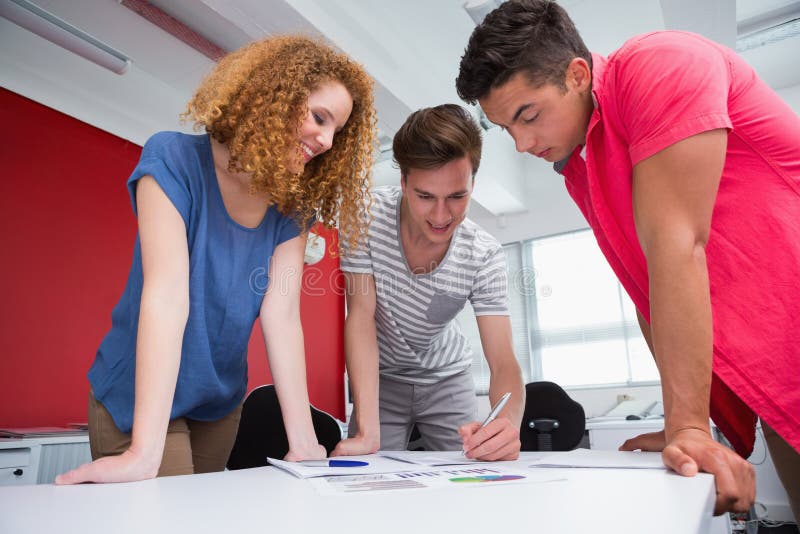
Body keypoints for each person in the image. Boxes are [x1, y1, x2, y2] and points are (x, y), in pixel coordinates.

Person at [456, 0, 799, 517]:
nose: (522, 143)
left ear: (576, 74)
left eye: (528, 116)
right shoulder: (585, 163)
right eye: (507, 128)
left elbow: (676, 248)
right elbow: (647, 288)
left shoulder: (660, 65)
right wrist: (686, 420)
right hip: (770, 358)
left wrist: (686, 425)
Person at [55, 36, 377, 484]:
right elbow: (167, 297)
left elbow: (282, 317)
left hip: (219, 403)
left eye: (335, 132)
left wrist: (303, 440)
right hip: (141, 397)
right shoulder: (172, 159)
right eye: (319, 117)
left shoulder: (292, 210)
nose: (325, 140)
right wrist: (144, 454)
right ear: (272, 95)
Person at [331, 104, 524, 460]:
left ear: (472, 184)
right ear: (403, 182)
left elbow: (503, 361)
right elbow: (360, 316)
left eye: (456, 196)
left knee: (479, 465)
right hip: (381, 378)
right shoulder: (363, 217)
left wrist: (507, 426)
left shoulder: (484, 254)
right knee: (364, 469)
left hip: (447, 376)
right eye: (425, 196)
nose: (440, 216)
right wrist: (367, 431)